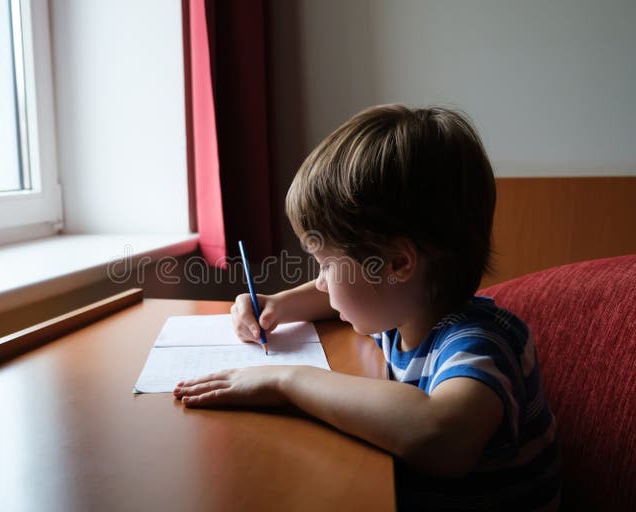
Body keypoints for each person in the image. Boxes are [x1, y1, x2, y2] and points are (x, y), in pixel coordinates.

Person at [173, 104, 561, 510]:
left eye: (325, 265)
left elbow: (442, 435)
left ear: (398, 264)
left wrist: (287, 381)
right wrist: (278, 305)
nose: (320, 281)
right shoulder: (403, 308)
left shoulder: (479, 345)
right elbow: (341, 294)